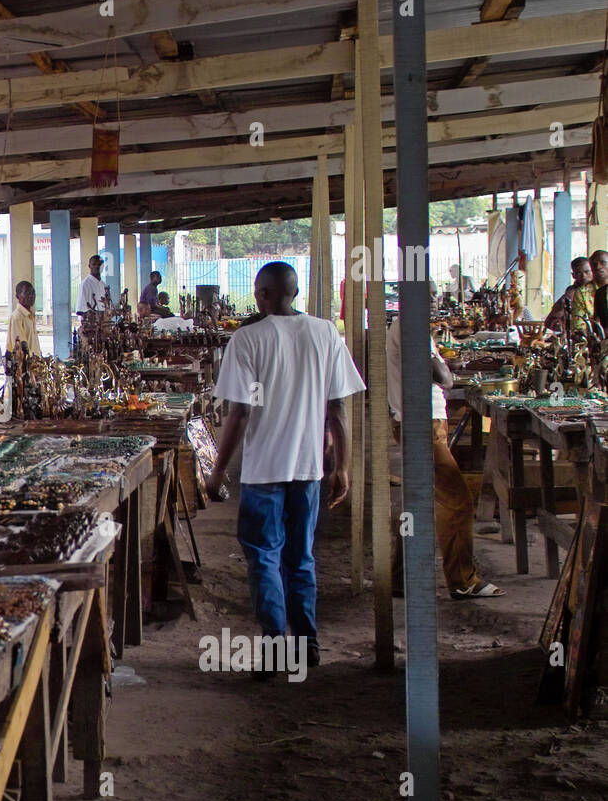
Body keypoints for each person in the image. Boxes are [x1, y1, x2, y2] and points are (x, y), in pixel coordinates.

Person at [207, 262, 364, 673]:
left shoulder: (247, 340)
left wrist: (218, 471)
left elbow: (238, 413)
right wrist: (342, 467)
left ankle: (276, 647)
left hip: (262, 472)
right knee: (300, 557)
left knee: (264, 558)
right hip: (308, 468)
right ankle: (307, 644)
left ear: (260, 293)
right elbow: (338, 408)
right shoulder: (326, 332)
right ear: (294, 293)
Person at [386, 315, 503, 599]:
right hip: (422, 423)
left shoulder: (407, 325)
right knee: (457, 501)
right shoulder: (410, 323)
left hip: (420, 420)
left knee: (418, 502)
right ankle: (463, 580)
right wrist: (446, 371)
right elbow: (444, 378)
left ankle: (402, 578)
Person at [7, 280, 42, 356]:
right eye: (26, 293)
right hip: (26, 365)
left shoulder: (30, 316)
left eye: (33, 293)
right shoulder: (17, 317)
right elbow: (21, 348)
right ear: (17, 296)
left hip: (35, 364)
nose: (31, 296)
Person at [590, 251, 608, 331]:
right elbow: (596, 322)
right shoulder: (600, 293)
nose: (598, 267)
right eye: (594, 264)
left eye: (603, 263)